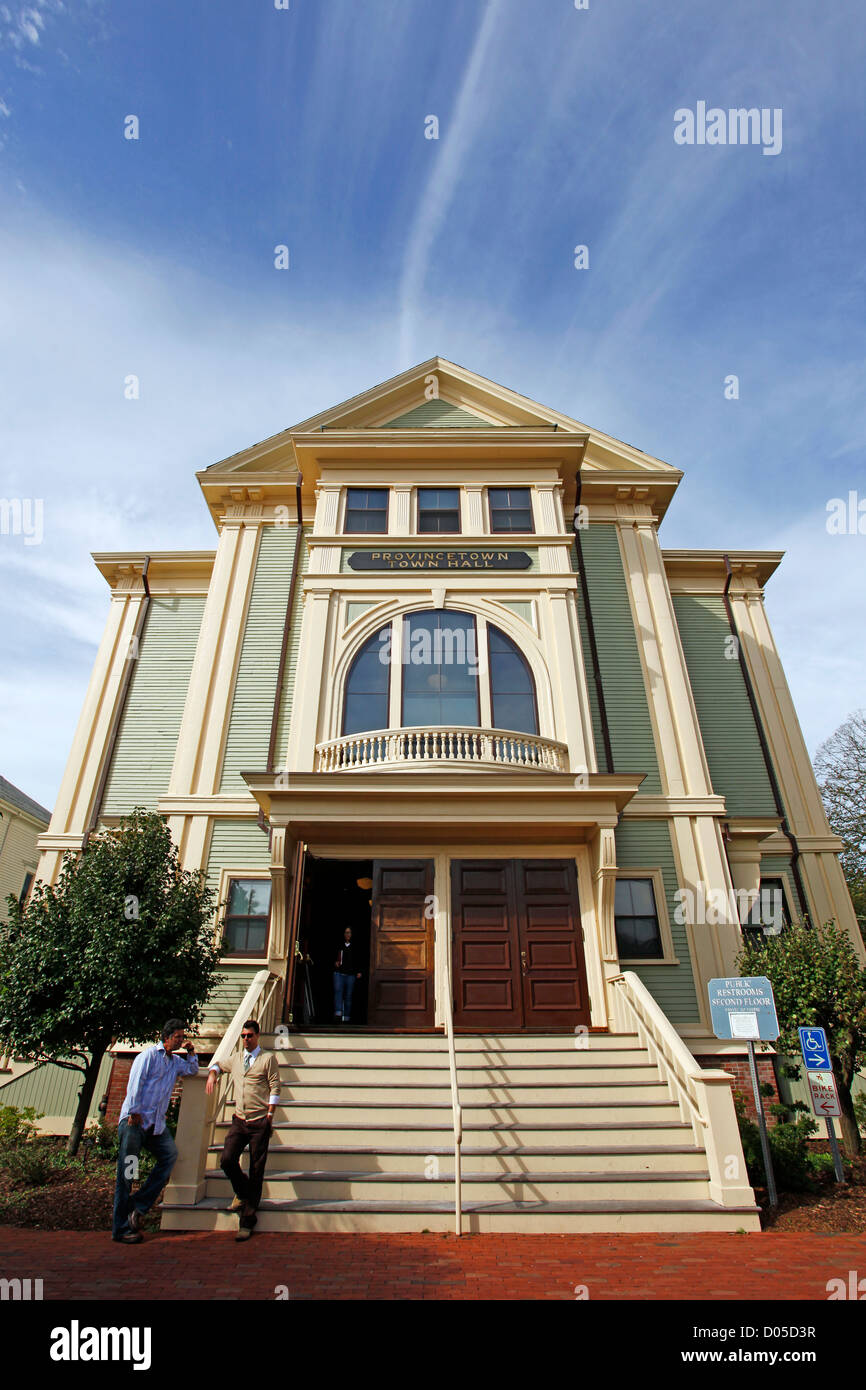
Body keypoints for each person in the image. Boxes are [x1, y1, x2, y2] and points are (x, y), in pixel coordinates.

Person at [112, 1018, 198, 1244]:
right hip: (135, 1125)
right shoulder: (148, 1057)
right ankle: (120, 1229)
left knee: (169, 1156)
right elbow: (135, 1083)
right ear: (167, 1037)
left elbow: (192, 1070)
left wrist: (191, 1053)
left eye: (182, 1037)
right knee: (128, 1174)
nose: (181, 1040)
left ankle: (137, 1205)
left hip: (155, 1128)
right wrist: (133, 1111)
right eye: (178, 1037)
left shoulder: (175, 1062)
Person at [205, 1019, 280, 1241]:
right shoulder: (236, 1059)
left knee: (257, 1169)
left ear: (258, 1036)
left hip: (259, 1121)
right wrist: (212, 1073)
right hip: (239, 1120)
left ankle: (247, 1220)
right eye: (243, 1036)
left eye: (250, 1036)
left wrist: (270, 1115)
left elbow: (275, 1085)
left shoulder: (267, 1059)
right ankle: (243, 1192)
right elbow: (218, 1064)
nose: (246, 1040)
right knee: (227, 1160)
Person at [333, 925, 362, 1023]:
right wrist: (335, 962)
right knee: (338, 992)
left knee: (348, 995)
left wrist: (359, 971)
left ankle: (347, 1017)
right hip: (339, 973)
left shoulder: (356, 946)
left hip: (351, 974)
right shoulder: (338, 944)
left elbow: (360, 959)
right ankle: (338, 1013)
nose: (347, 934)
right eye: (346, 932)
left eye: (349, 932)